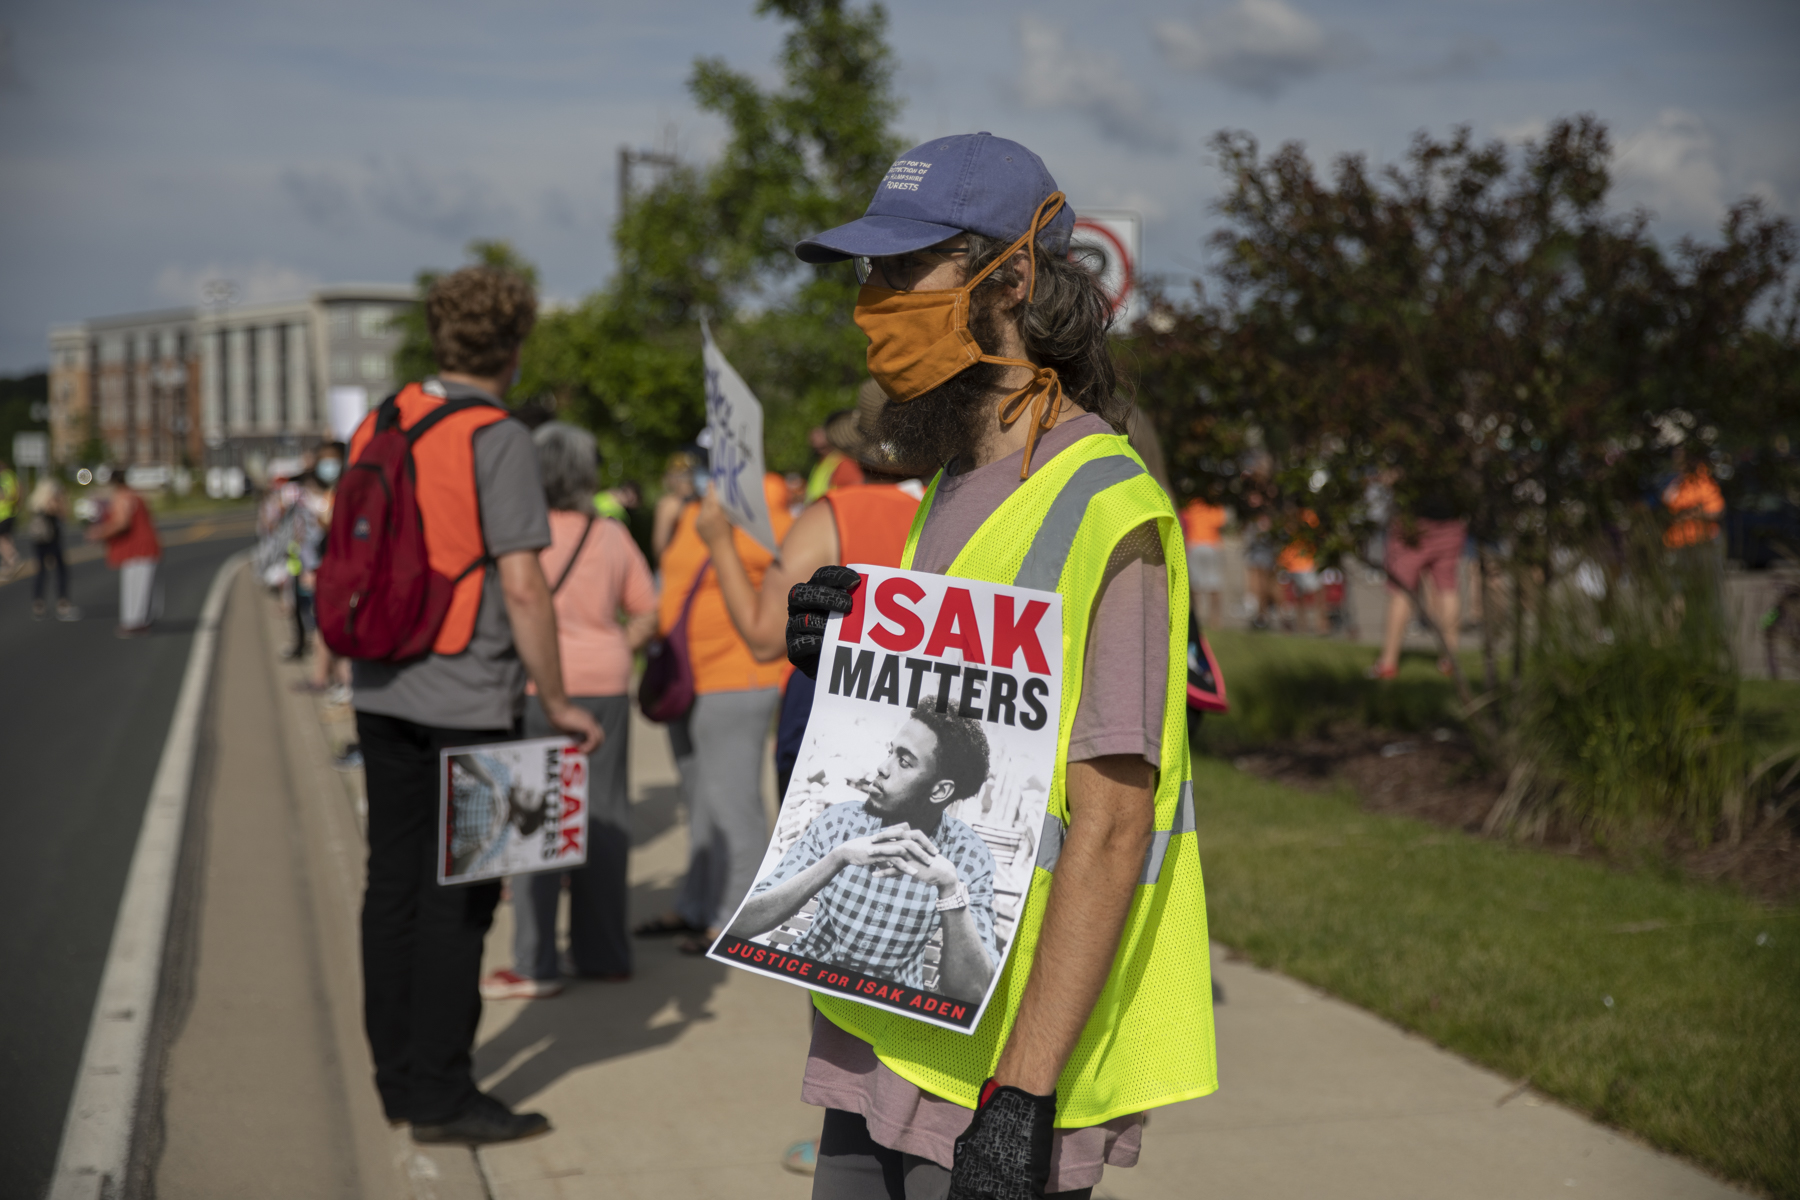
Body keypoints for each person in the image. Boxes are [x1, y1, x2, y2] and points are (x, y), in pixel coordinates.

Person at [783, 132, 1215, 1198]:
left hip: (997, 1069)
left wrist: (1022, 1097)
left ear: (1013, 277)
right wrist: (860, 656)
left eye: (901, 269)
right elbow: (981, 719)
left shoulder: (1110, 506)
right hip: (888, 1027)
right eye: (868, 273)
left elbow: (1112, 822)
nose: (871, 300)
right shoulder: (960, 475)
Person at [346, 265, 602, 1147]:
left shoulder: (381, 419)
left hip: (380, 684)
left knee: (392, 886)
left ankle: (396, 1081)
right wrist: (559, 701)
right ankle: (445, 1095)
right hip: (469, 694)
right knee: (460, 902)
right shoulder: (496, 435)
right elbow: (523, 586)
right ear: (517, 345)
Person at [481, 422, 657, 1002]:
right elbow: (647, 613)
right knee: (602, 816)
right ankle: (604, 954)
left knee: (534, 820)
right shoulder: (609, 534)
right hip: (604, 687)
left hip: (536, 688)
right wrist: (612, 649)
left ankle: (535, 963)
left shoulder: (515, 534)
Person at [695, 378, 924, 802]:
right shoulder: (966, 516)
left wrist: (720, 542)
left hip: (831, 726)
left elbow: (764, 638)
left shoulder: (834, 515)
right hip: (919, 740)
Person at [730, 706, 998, 997]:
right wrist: (838, 858)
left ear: (939, 791)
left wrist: (949, 890)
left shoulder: (967, 854)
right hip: (822, 992)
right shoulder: (839, 823)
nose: (882, 767)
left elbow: (976, 992)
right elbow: (742, 923)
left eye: (904, 762)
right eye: (890, 751)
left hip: (900, 1011)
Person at [636, 466, 794, 954]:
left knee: (732, 805)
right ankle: (696, 906)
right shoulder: (700, 510)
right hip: (689, 680)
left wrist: (722, 530)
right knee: (700, 805)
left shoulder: (764, 509)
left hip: (737, 676)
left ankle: (738, 922)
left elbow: (777, 575)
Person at [1371, 483, 1466, 679]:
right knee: (1447, 588)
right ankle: (1449, 660)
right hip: (1450, 522)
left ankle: (1388, 662)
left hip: (1413, 522)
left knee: (1402, 591)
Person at [87, 467, 161, 637]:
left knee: (136, 586)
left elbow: (122, 523)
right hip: (144, 547)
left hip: (137, 548)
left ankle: (135, 622)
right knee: (142, 586)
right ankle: (140, 620)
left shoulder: (123, 497)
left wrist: (99, 533)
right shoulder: (135, 495)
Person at [27, 477, 79, 621]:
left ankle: (38, 603)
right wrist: (61, 499)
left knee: (41, 571)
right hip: (51, 539)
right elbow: (63, 515)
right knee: (61, 570)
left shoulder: (35, 502)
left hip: (38, 541)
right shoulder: (51, 502)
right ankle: (63, 603)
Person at [1179, 498, 1226, 629]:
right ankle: (1214, 620)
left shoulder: (1190, 503)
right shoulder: (1214, 503)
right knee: (1212, 584)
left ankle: (1199, 618)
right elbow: (1220, 522)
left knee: (1197, 584)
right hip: (1210, 545)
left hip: (1196, 544)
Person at [806, 416, 866, 502]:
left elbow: (856, 492)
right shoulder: (821, 463)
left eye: (819, 434)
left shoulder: (843, 462)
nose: (815, 437)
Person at [0, 459, 20, 577]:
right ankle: (7, 562)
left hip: (4, 513)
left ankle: (12, 559)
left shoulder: (5, 478)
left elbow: (5, 494)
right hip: (9, 512)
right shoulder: (11, 476)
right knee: (6, 536)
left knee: (2, 538)